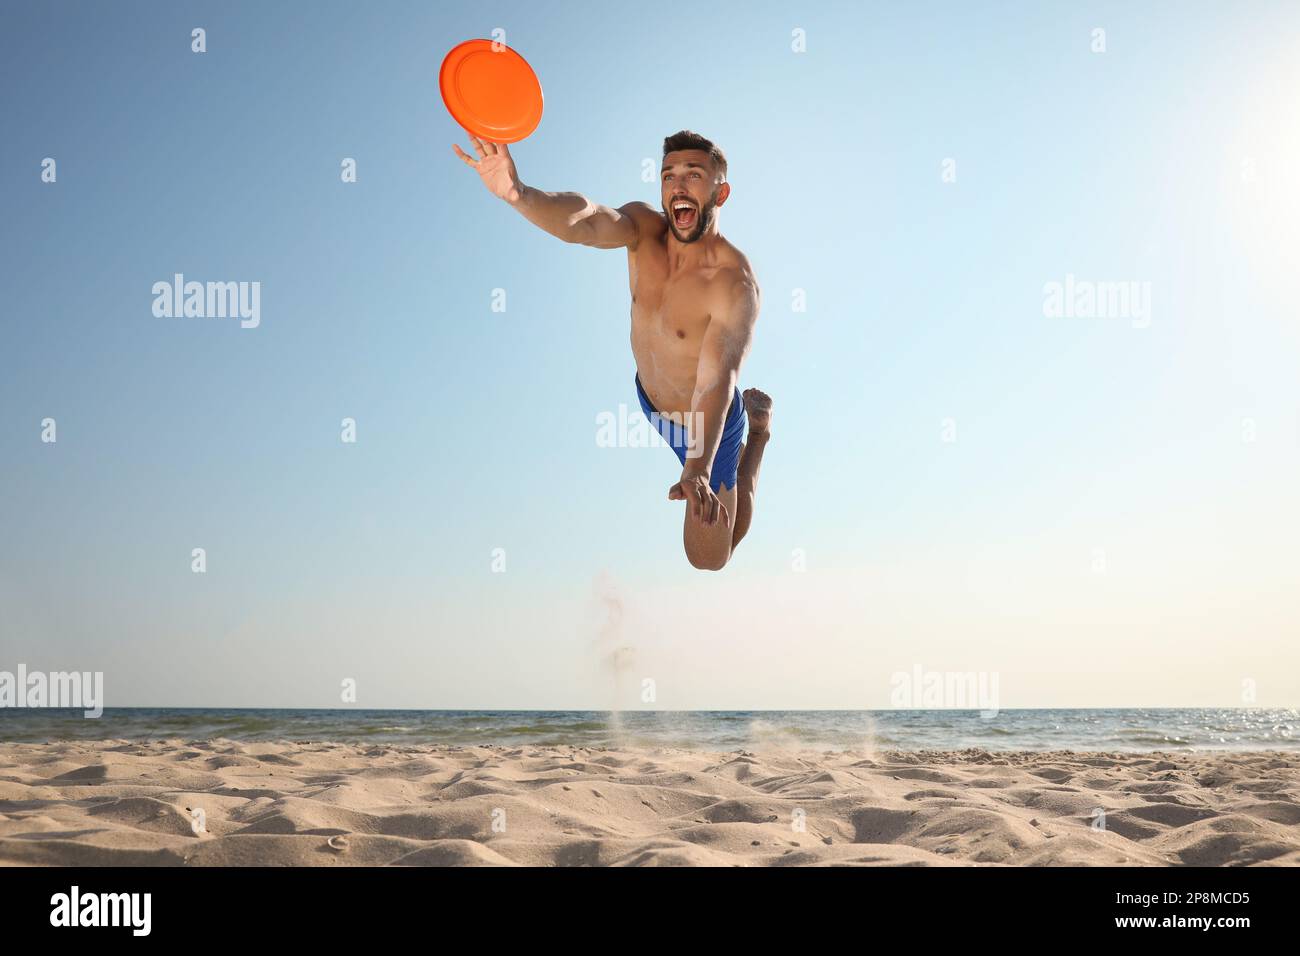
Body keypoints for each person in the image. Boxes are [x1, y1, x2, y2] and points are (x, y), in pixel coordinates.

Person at [453, 130, 772, 570]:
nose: (678, 186)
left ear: (721, 192)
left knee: (710, 558)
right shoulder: (643, 230)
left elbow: (716, 379)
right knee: (710, 539)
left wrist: (697, 466)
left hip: (708, 427)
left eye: (694, 176)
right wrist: (519, 193)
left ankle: (757, 436)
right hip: (652, 402)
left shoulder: (733, 283)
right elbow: (586, 220)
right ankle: (722, 473)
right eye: (668, 176)